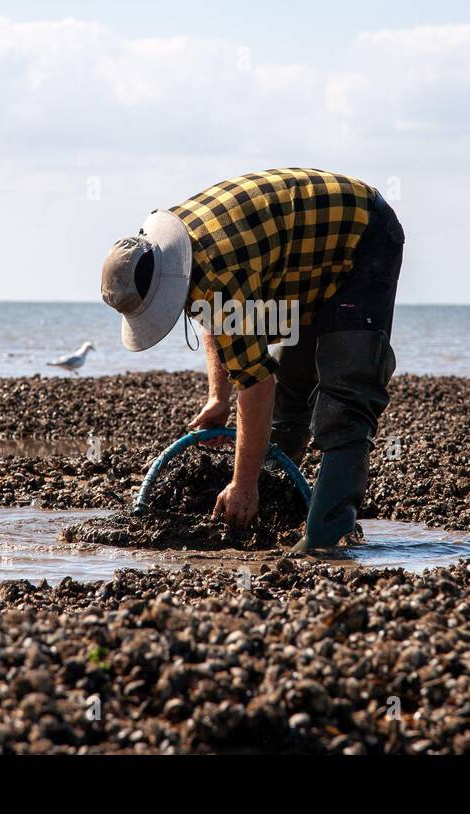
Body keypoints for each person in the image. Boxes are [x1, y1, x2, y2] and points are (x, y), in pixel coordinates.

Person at [100, 168, 404, 553]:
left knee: (346, 400)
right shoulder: (174, 252)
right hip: (303, 261)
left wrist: (242, 484)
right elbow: (209, 312)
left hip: (362, 238)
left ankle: (325, 541)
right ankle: (283, 502)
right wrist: (218, 397)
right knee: (292, 387)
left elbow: (256, 383)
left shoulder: (216, 272)